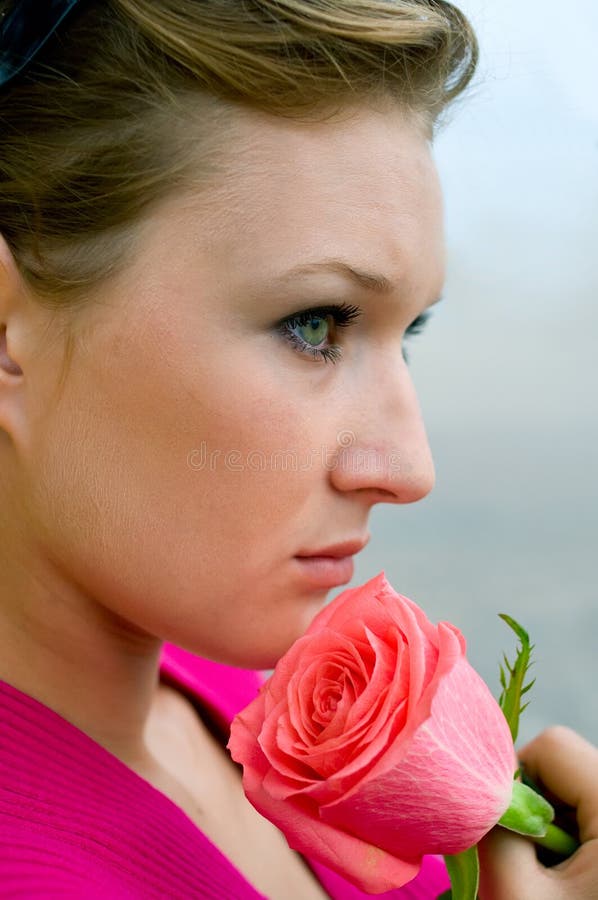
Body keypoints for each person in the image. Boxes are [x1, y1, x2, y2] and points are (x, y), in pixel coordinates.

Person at [0, 1, 596, 897]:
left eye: (411, 330)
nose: (407, 469)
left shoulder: (275, 713)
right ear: (10, 333)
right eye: (315, 325)